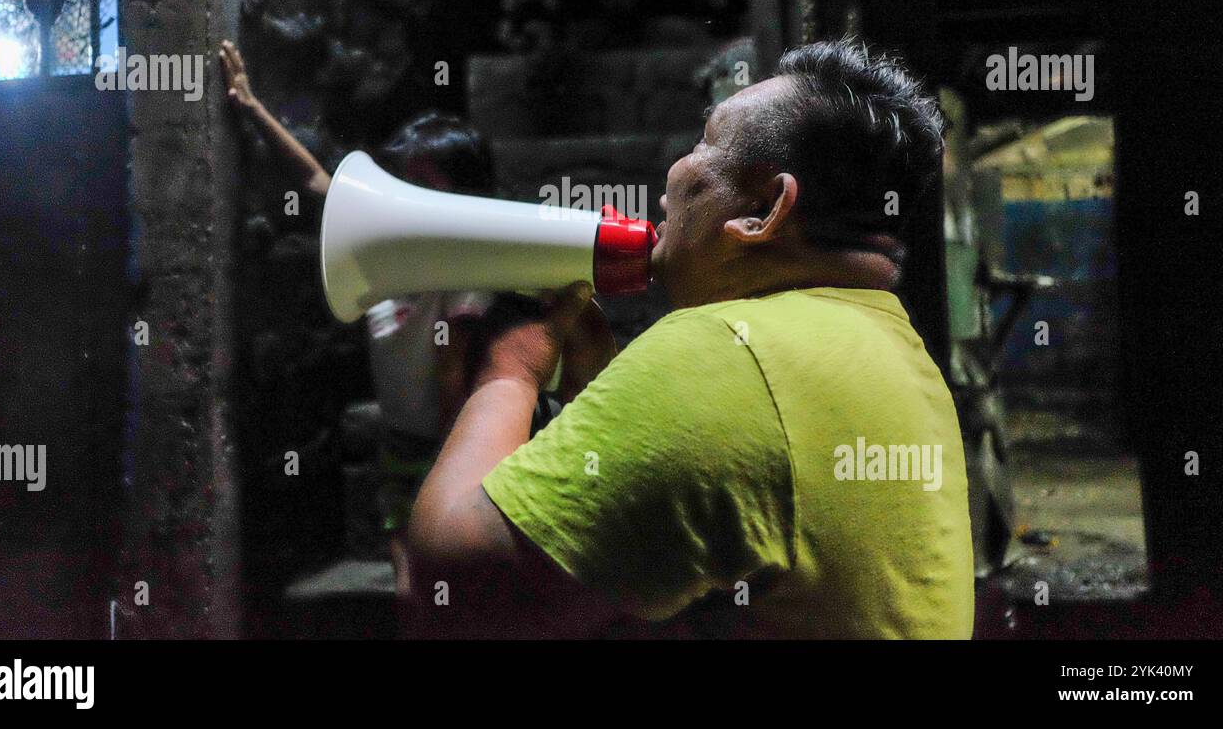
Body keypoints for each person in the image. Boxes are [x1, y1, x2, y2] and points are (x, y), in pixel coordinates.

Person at [403, 38, 974, 638]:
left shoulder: (729, 351)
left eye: (705, 144)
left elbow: (455, 584)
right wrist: (597, 393)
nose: (675, 170)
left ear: (762, 210)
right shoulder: (888, 342)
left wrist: (508, 373)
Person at [218, 40, 494, 443]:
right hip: (399, 446)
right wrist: (252, 106)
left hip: (435, 454)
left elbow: (454, 382)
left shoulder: (465, 272)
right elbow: (315, 180)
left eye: (422, 182)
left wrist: (429, 450)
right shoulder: (387, 235)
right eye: (402, 179)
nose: (405, 192)